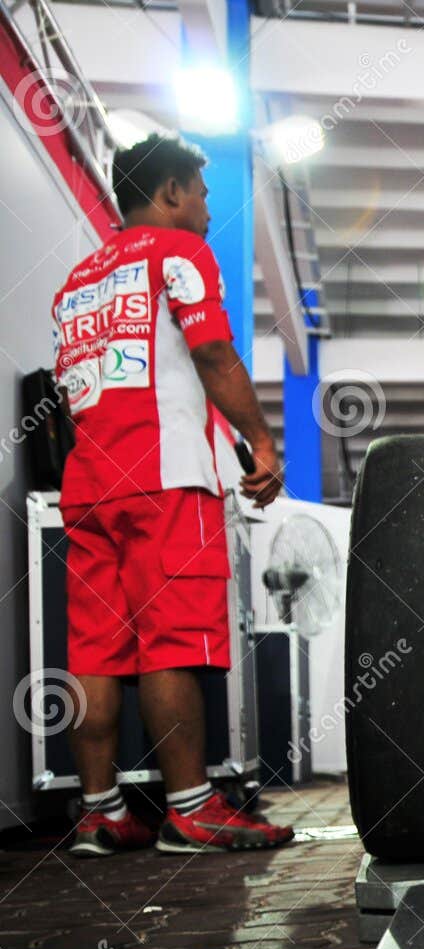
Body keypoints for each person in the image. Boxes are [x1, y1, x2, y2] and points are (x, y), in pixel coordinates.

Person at [52, 133, 292, 857]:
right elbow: (213, 350)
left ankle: (100, 811)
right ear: (169, 192)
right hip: (166, 477)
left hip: (91, 483)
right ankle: (192, 809)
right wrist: (261, 440)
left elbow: (68, 398)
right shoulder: (178, 253)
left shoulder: (74, 283)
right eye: (202, 190)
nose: (209, 205)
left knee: (95, 650)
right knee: (172, 642)